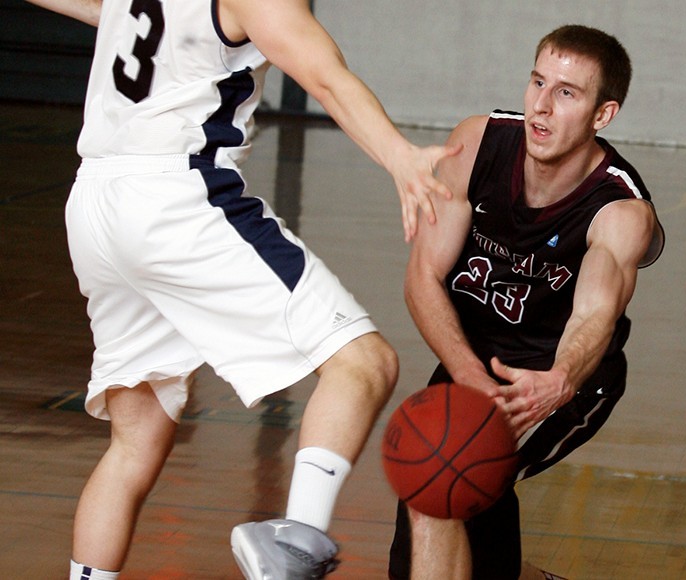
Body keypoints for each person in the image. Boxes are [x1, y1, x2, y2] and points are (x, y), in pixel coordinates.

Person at [25, 0, 459, 579]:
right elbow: (325, 76)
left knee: (134, 444)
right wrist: (400, 157)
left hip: (95, 203)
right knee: (364, 362)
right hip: (171, 194)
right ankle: (293, 549)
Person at [387, 24, 665, 580]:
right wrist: (469, 374)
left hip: (562, 378)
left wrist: (559, 378)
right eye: (538, 81)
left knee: (447, 478)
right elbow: (423, 275)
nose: (541, 105)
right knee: (434, 490)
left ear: (602, 115)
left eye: (567, 93)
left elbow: (594, 318)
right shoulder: (477, 145)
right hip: (475, 358)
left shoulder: (620, 208)